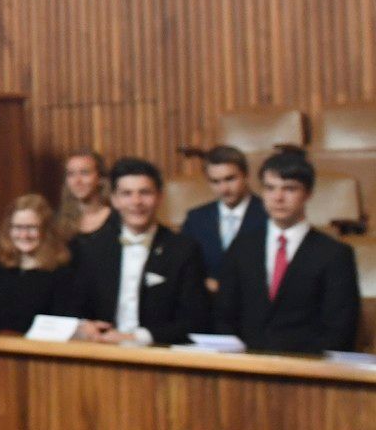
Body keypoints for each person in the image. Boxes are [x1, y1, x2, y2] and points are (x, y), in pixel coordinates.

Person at [215, 151, 360, 352]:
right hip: (246, 367)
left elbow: (340, 331)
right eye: (270, 188)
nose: (278, 197)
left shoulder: (335, 254)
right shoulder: (241, 247)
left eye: (289, 189)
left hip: (305, 370)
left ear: (308, 194)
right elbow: (224, 317)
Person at [62, 157, 210, 346]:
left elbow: (196, 320)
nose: (136, 201)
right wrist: (84, 325)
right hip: (101, 351)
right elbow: (73, 308)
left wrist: (138, 337)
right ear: (114, 200)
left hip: (159, 355)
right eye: (127, 194)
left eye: (145, 193)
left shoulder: (183, 249)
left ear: (160, 197)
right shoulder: (93, 248)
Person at [0, 194, 74, 333]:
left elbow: (62, 330)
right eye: (18, 227)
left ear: (46, 231)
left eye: (31, 228)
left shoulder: (62, 276)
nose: (24, 235)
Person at [180, 145, 267, 291]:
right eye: (215, 181)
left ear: (245, 175)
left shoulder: (269, 214)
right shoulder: (196, 218)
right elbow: (184, 266)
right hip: (208, 305)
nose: (224, 189)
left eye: (230, 179)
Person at [55, 150, 115, 243]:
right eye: (71, 174)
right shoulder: (58, 222)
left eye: (84, 173)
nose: (77, 181)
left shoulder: (117, 220)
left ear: (100, 178)